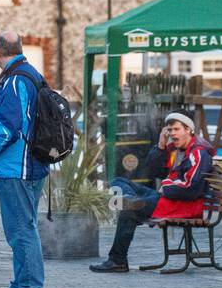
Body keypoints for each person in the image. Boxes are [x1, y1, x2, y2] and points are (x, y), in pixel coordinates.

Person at [88, 113, 215, 273]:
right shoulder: (175, 149)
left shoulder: (198, 153)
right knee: (118, 182)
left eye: (177, 129)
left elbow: (191, 188)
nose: (173, 133)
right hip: (167, 198)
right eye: (170, 130)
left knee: (129, 211)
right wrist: (161, 145)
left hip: (183, 205)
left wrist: (166, 186)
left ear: (188, 130)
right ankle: (130, 199)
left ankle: (117, 260)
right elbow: (153, 170)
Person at [0, 32, 50, 288]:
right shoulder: (30, 75)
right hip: (30, 164)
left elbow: (10, 124)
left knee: (21, 229)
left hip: (16, 167)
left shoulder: (15, 79)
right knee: (24, 227)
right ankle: (23, 285)